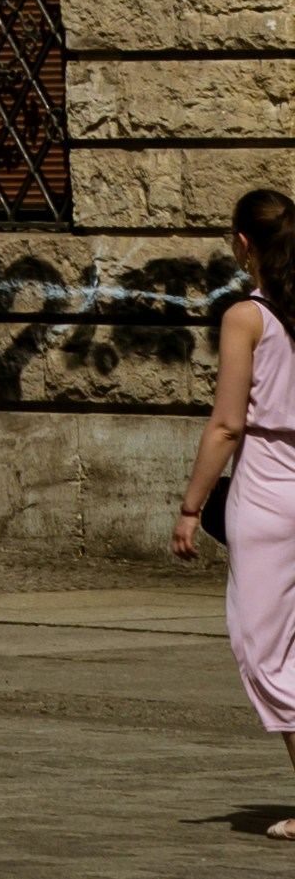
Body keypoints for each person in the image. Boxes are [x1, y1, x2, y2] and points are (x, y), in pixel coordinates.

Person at [172, 183, 295, 836]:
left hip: (271, 495)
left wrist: (191, 507)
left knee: (264, 653)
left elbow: (226, 425)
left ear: (243, 244)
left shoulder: (248, 316)